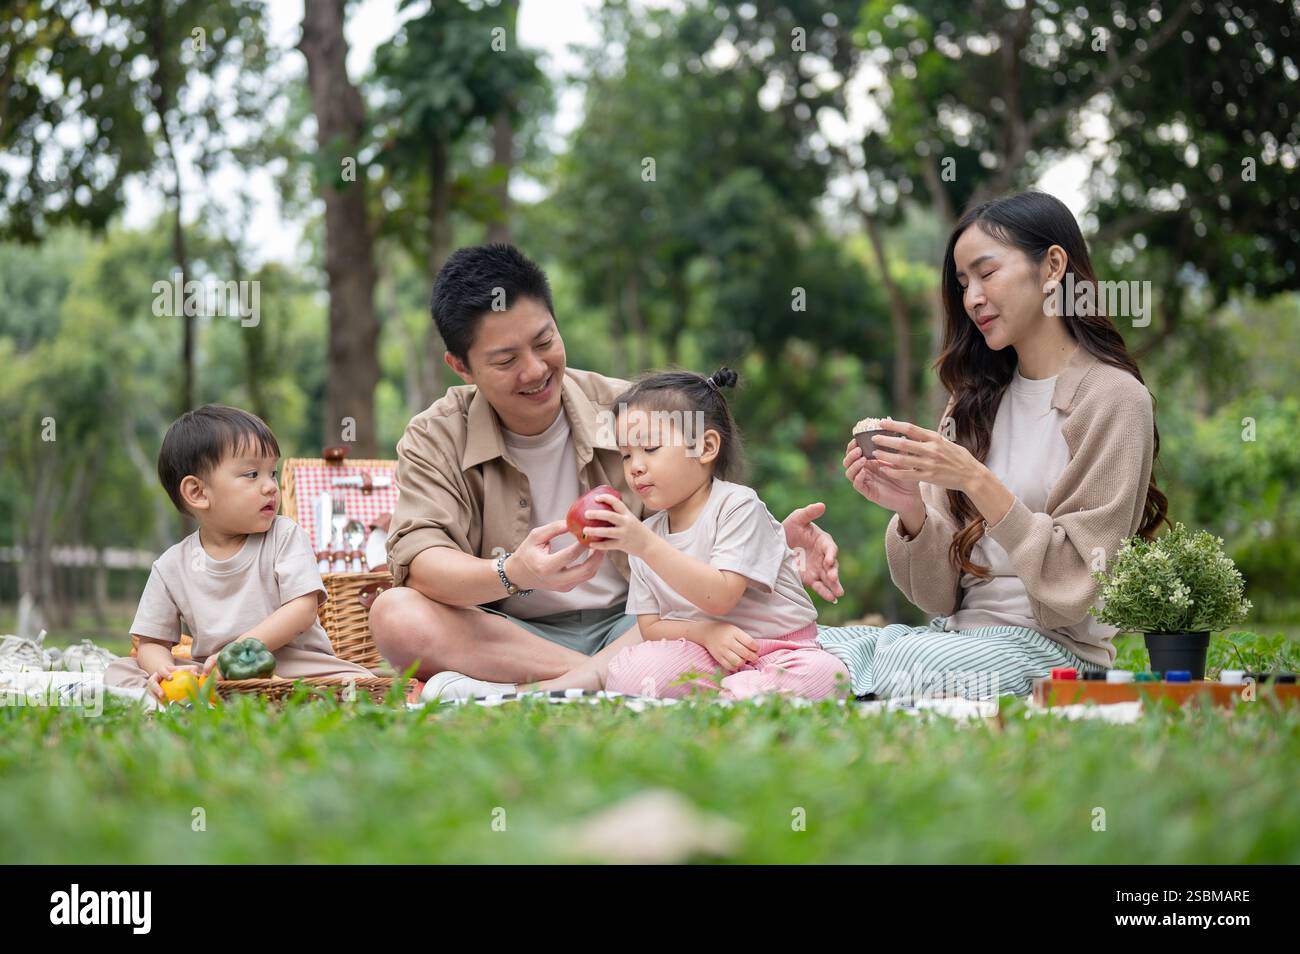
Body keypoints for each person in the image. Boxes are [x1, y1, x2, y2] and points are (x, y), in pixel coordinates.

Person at [368, 244, 845, 702]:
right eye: (506, 360)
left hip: (640, 624)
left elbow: (707, 507)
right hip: (512, 636)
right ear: (461, 367)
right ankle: (597, 679)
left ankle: (540, 690)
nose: (535, 370)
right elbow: (423, 562)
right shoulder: (435, 435)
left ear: (557, 323)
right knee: (396, 615)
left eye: (544, 341)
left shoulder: (635, 411)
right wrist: (512, 572)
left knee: (693, 616)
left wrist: (774, 542)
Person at [817, 191, 1171, 700]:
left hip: (1052, 652)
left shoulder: (1114, 398)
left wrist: (974, 479)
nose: (972, 298)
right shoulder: (972, 403)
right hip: (954, 640)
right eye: (963, 283)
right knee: (806, 647)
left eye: (987, 273)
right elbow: (940, 599)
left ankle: (852, 685)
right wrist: (911, 508)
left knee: (901, 663)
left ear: (1052, 266)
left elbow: (1076, 584)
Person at [589, 367, 849, 700]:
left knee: (827, 676)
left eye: (650, 448)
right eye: (626, 455)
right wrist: (705, 633)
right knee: (629, 673)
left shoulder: (738, 506)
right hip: (707, 649)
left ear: (706, 447)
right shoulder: (645, 534)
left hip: (780, 650)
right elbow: (651, 627)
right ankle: (738, 694)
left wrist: (644, 545)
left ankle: (739, 692)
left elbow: (722, 595)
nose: (635, 466)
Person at [103, 405, 372, 701]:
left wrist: (240, 649)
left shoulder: (284, 536)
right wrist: (165, 670)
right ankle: (206, 694)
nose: (270, 486)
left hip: (290, 661)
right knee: (121, 670)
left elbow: (303, 609)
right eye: (252, 474)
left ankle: (254, 693)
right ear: (198, 493)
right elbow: (150, 641)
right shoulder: (171, 566)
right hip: (214, 670)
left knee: (357, 682)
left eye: (273, 472)